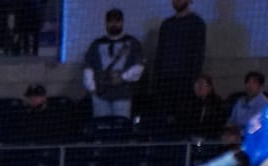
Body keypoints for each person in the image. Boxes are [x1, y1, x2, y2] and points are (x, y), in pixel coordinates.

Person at [151, 0, 207, 128]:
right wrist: (156, 80)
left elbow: (198, 54)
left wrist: (193, 81)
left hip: (185, 83)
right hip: (164, 83)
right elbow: (160, 54)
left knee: (182, 122)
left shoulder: (197, 24)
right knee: (162, 123)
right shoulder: (166, 25)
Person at [82, 9, 145, 119]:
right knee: (102, 127)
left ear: (122, 22)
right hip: (100, 95)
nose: (114, 24)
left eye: (117, 21)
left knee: (121, 127)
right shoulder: (96, 44)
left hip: (122, 95)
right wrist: (92, 88)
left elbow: (139, 66)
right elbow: (88, 66)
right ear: (106, 23)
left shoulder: (133, 43)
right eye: (110, 21)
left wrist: (123, 77)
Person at [179, 75, 229, 141]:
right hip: (189, 137)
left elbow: (219, 123)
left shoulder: (217, 102)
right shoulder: (188, 102)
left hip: (209, 137)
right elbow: (183, 121)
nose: (200, 87)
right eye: (197, 84)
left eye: (203, 84)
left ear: (210, 88)